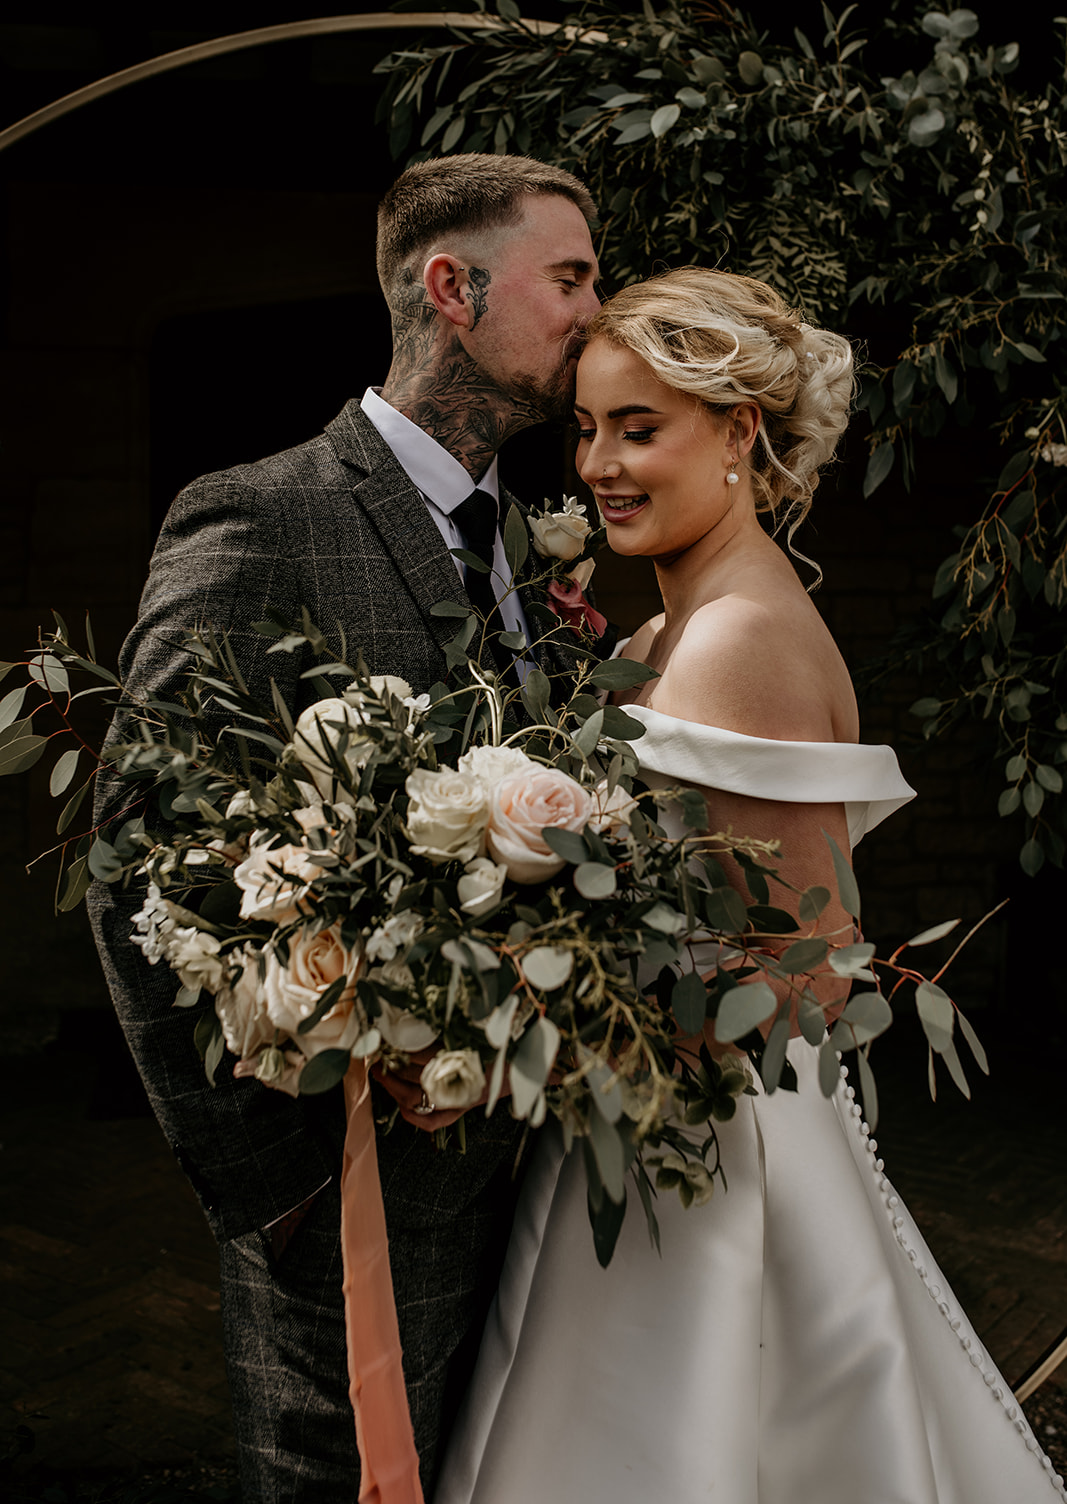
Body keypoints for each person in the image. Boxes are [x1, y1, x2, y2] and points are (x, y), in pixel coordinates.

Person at [435, 268, 1065, 1503]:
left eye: (638, 427)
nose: (600, 464)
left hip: (709, 1153)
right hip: (644, 1121)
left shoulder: (734, 638)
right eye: (586, 427)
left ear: (738, 434)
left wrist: (531, 991)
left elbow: (805, 967)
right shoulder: (667, 633)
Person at [88, 152, 601, 1502]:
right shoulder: (260, 514)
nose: (592, 312)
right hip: (341, 1208)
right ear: (451, 287)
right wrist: (271, 1190)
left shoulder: (518, 538)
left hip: (514, 1193)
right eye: (569, 278)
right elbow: (130, 862)